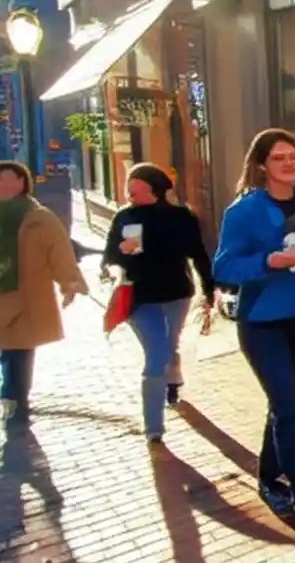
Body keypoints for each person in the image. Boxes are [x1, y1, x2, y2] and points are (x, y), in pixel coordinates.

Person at [212, 129, 295, 537]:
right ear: (262, 164)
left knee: (283, 404)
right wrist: (269, 260)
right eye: (279, 158)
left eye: (292, 157)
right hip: (261, 321)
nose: (288, 163)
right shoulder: (243, 211)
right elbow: (223, 268)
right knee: (288, 408)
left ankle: (267, 476)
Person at [103, 163, 214, 442]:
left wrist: (210, 290)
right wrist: (122, 252)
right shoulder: (125, 218)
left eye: (135, 186)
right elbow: (110, 258)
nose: (130, 191)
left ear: (154, 189)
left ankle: (173, 380)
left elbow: (198, 254)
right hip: (139, 299)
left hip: (176, 294)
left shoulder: (181, 218)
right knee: (157, 354)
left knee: (170, 343)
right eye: (129, 187)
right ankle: (154, 427)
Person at [0, 161, 88, 432]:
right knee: (7, 354)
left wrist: (69, 283)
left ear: (22, 183)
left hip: (25, 298)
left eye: (10, 180)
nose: (4, 185)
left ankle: (16, 402)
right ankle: (10, 397)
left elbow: (60, 254)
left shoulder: (39, 218)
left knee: (19, 354)